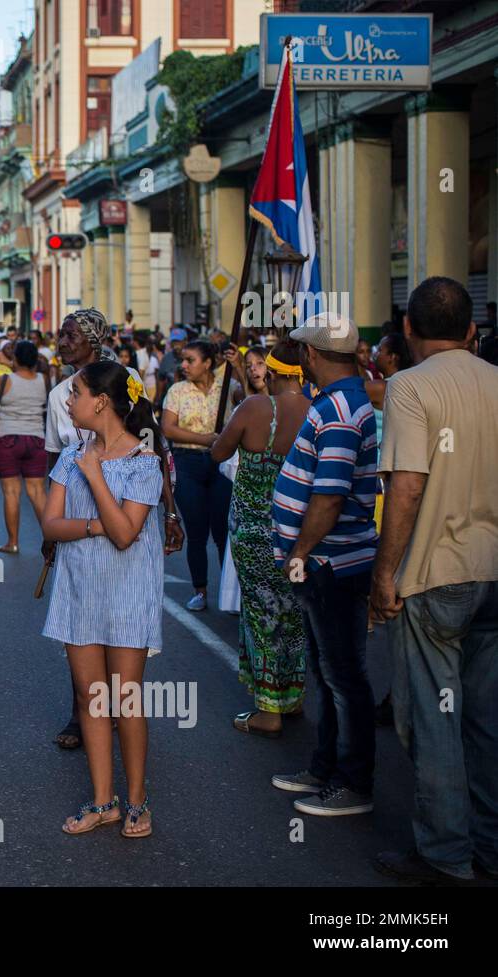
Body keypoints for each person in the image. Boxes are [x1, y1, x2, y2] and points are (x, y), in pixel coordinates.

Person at [370, 276, 498, 884]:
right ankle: (490, 845)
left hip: (437, 571)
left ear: (411, 331)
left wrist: (385, 575)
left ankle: (446, 855)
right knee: (486, 717)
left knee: (434, 717)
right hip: (492, 570)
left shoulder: (409, 387)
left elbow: (408, 486)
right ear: (472, 331)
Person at [45, 309, 184, 750]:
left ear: (91, 340)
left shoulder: (116, 385)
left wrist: (170, 510)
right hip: (77, 494)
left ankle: (120, 741)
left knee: (123, 676)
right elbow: (57, 457)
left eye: (70, 334)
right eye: (62, 334)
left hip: (124, 499)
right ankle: (81, 712)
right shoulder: (58, 396)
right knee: (80, 630)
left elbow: (151, 444)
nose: (62, 341)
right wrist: (58, 528)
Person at [42, 361, 165, 839]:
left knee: (125, 699)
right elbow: (51, 525)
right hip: (79, 591)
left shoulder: (144, 461)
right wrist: (90, 525)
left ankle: (137, 801)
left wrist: (94, 476)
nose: (68, 401)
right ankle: (102, 801)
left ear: (101, 402)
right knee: (90, 697)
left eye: (75, 393)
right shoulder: (69, 453)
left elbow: (126, 534)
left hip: (129, 594)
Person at [269, 311, 379, 817]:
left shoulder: (339, 411)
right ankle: (324, 767)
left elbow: (329, 496)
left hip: (332, 563)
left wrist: (300, 553)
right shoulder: (340, 401)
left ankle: (351, 783)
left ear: (312, 355)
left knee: (342, 675)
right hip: (328, 561)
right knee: (328, 670)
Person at [210, 340, 310, 736]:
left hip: (254, 531)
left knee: (261, 612)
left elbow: (219, 453)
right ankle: (293, 696)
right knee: (294, 614)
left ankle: (269, 708)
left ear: (272, 371)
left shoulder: (254, 408)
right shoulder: (315, 412)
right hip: (298, 531)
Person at [162, 340, 238, 610]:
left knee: (222, 530)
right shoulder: (177, 391)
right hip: (187, 462)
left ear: (208, 363)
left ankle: (230, 595)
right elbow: (168, 429)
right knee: (196, 530)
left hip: (221, 464)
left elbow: (253, 398)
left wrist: (238, 365)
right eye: (183, 360)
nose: (183, 365)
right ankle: (200, 590)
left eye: (190, 360)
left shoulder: (228, 387)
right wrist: (204, 439)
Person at [0, 340, 49, 555]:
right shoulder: (44, 380)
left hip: (7, 439)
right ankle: (51, 539)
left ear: (15, 358)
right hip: (36, 439)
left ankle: (12, 542)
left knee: (12, 492)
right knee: (38, 492)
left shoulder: (4, 380)